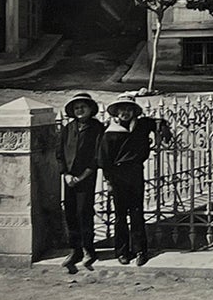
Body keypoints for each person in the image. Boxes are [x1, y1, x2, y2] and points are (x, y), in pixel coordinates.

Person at [101, 97, 156, 266]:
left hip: (135, 174)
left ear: (134, 112)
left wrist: (162, 131)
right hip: (118, 176)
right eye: (122, 109)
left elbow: (155, 122)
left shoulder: (140, 127)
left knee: (137, 213)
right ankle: (122, 251)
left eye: (129, 109)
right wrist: (109, 181)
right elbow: (104, 160)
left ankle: (140, 251)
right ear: (116, 112)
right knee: (120, 216)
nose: (125, 113)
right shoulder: (110, 133)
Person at [56, 94, 103, 273]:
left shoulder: (97, 128)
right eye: (76, 108)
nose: (80, 110)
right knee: (70, 213)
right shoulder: (68, 128)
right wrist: (66, 174)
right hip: (69, 179)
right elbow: (59, 153)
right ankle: (74, 250)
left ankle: (88, 249)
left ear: (90, 109)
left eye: (83, 107)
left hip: (86, 177)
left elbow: (97, 155)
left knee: (84, 212)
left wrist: (83, 176)